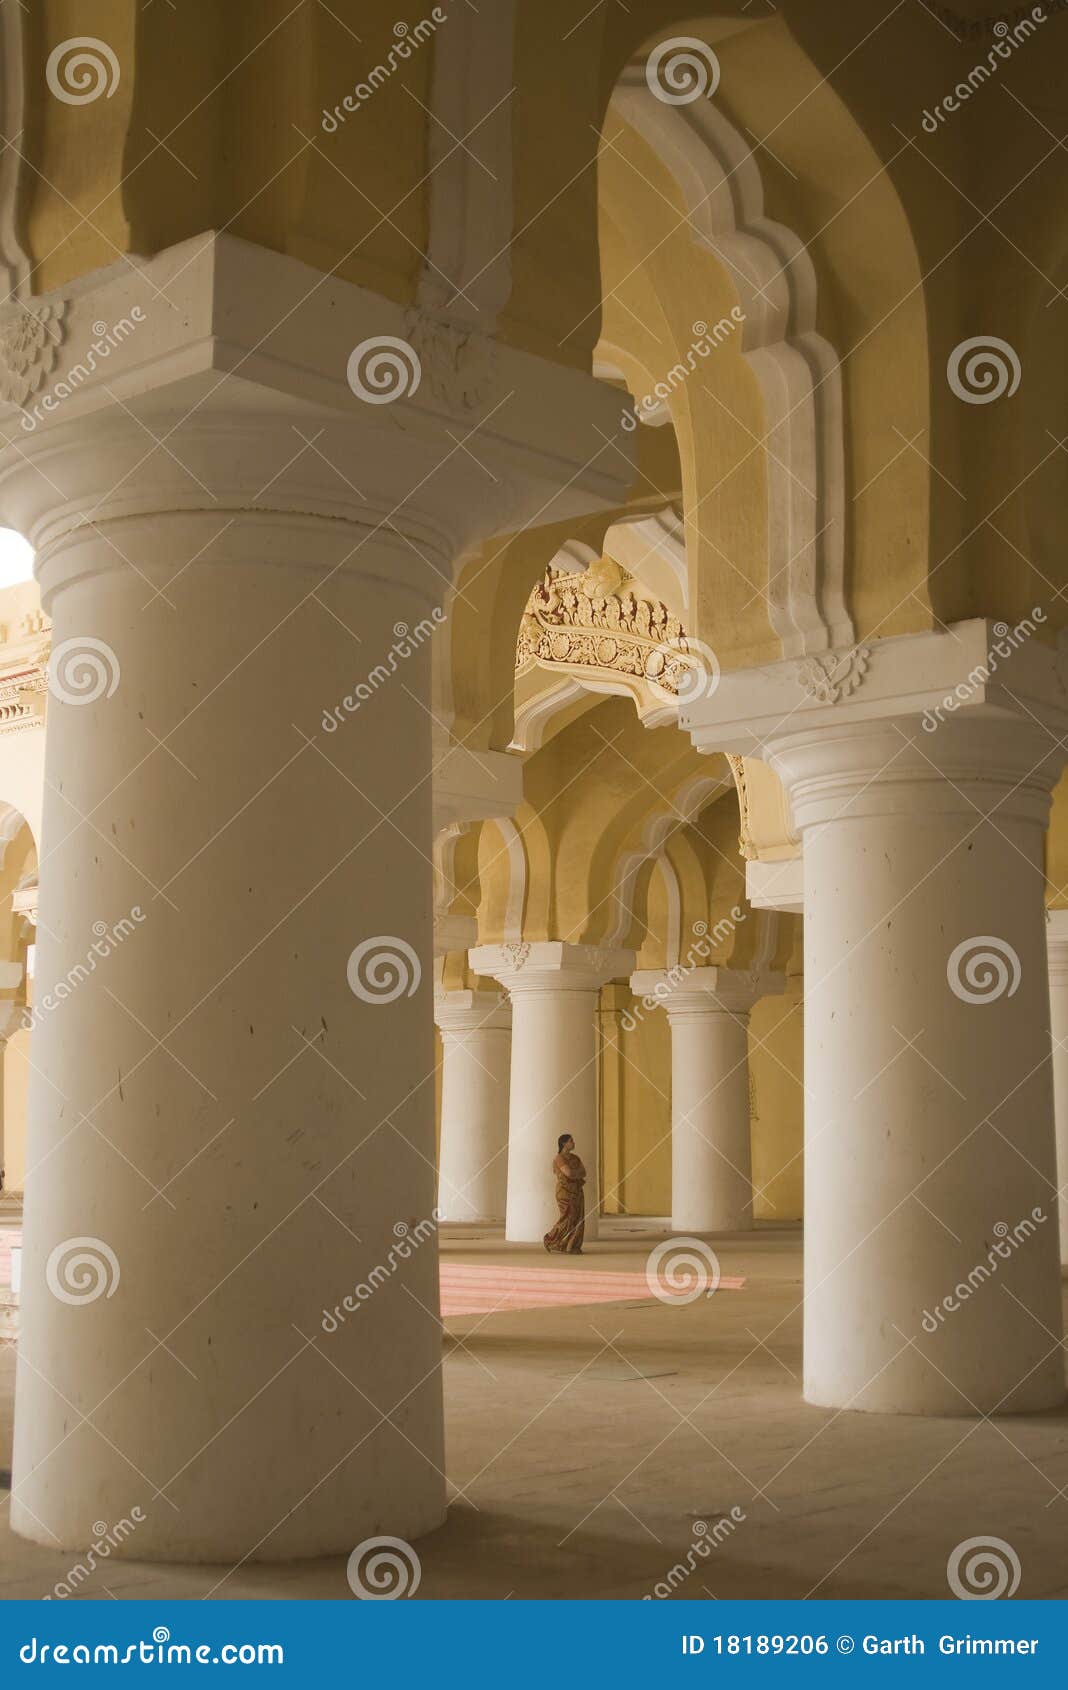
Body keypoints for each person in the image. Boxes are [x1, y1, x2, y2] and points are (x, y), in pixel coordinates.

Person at [543, 1133, 586, 1255]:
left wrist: (574, 1173)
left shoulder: (576, 1158)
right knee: (567, 1218)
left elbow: (584, 1172)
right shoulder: (559, 1158)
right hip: (565, 1192)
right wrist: (575, 1173)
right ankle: (550, 1240)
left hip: (577, 1191)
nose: (573, 1143)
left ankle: (571, 1246)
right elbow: (569, 1173)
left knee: (578, 1218)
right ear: (563, 1143)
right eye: (571, 1141)